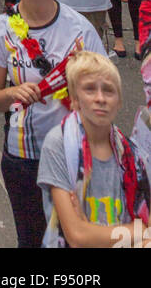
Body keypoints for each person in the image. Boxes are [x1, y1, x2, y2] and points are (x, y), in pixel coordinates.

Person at [0, 0, 105, 248]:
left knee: (76, 240)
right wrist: (11, 95)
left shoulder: (80, 29)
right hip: (24, 158)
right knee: (33, 240)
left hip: (74, 154)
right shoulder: (2, 29)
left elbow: (106, 91)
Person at [37, 49, 150, 247]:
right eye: (89, 89)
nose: (100, 98)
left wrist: (92, 231)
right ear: (74, 100)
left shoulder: (129, 153)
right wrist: (137, 231)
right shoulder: (59, 144)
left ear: (119, 102)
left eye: (108, 90)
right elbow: (77, 236)